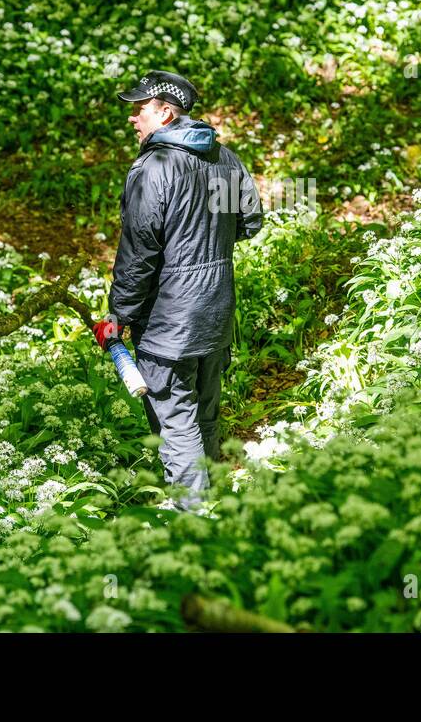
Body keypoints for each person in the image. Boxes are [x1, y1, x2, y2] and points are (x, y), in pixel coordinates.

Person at [92, 70, 263, 510]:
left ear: (165, 113)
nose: (132, 118)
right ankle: (212, 504)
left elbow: (140, 252)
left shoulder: (153, 168)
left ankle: (193, 518)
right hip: (217, 307)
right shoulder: (225, 159)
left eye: (139, 109)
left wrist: (119, 314)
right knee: (204, 409)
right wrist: (206, 237)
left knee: (175, 420)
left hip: (169, 317)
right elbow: (250, 222)